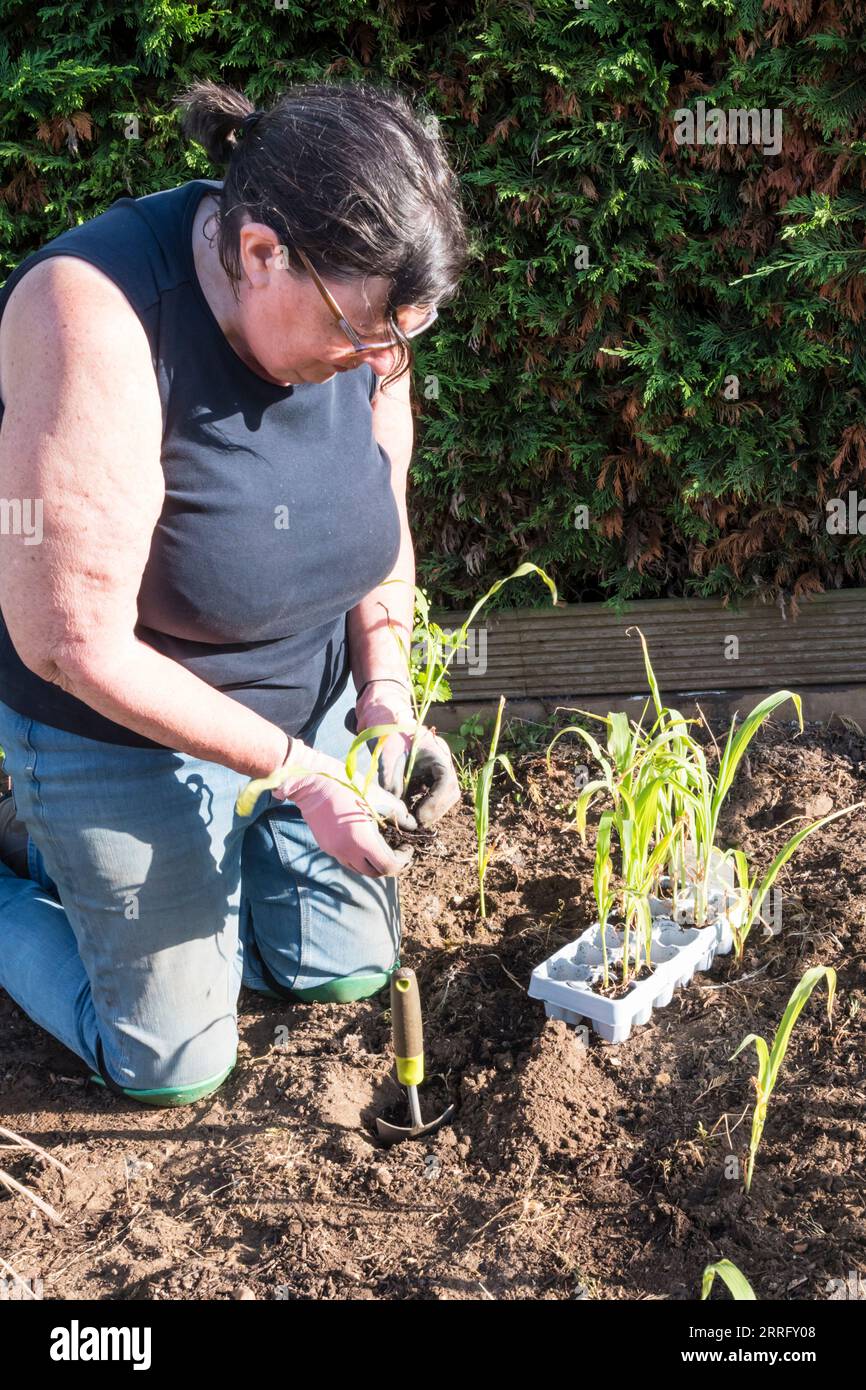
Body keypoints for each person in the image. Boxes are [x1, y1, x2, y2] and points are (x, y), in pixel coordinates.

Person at [0, 79, 468, 1106]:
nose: (381, 363)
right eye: (363, 334)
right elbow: (70, 642)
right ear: (261, 253)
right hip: (118, 726)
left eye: (406, 335)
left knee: (338, 971)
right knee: (174, 1065)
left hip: (308, 701)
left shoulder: (364, 309)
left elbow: (377, 510)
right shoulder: (96, 313)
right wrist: (302, 775)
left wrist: (382, 701)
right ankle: (34, 849)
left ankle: (164, 853)